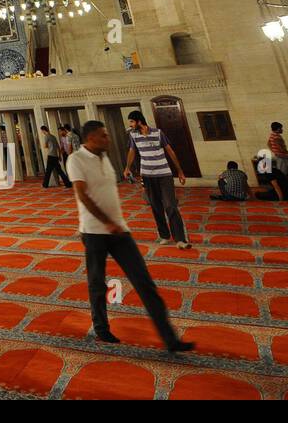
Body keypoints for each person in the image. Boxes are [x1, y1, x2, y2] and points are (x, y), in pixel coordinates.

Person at [67, 121, 194, 353]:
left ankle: (170, 339)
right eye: (104, 136)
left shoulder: (104, 158)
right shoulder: (76, 159)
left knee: (144, 282)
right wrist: (106, 222)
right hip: (95, 233)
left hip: (120, 231)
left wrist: (116, 224)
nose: (109, 139)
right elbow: (82, 196)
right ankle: (101, 328)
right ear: (91, 138)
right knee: (97, 283)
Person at [123, 111, 192, 249]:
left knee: (170, 205)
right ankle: (165, 235)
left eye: (131, 121)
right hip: (147, 176)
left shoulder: (158, 133)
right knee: (156, 207)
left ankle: (180, 239)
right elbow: (132, 151)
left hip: (164, 174)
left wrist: (180, 171)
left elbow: (170, 151)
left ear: (139, 121)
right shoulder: (133, 135)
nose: (130, 125)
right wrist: (127, 168)